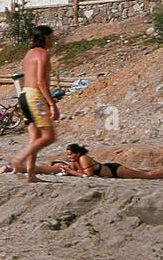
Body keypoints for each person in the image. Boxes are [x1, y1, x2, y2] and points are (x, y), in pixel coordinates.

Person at [9, 26, 60, 183]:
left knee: (35, 137)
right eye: (52, 37)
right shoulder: (43, 54)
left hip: (24, 94)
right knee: (49, 136)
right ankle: (19, 159)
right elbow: (40, 81)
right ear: (45, 37)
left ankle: (30, 174)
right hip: (34, 96)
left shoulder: (29, 54)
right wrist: (52, 104)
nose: (53, 39)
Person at [63, 143, 163, 180]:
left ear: (78, 153)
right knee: (140, 172)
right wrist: (67, 171)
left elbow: (88, 175)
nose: (69, 157)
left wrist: (71, 172)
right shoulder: (75, 160)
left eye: (71, 154)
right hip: (108, 169)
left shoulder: (83, 158)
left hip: (115, 170)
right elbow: (77, 173)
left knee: (147, 175)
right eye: (68, 155)